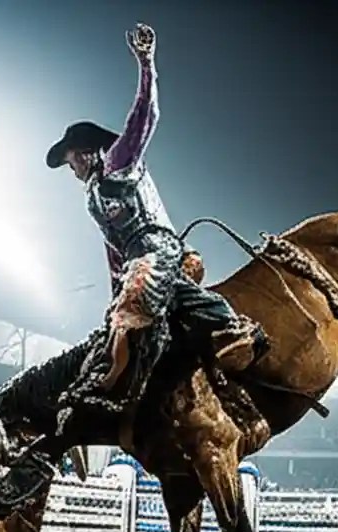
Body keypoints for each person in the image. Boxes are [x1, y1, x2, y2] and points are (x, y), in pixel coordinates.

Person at [42, 23, 267, 447]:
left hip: (157, 248)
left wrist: (146, 65)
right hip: (136, 260)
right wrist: (114, 294)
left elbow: (144, 117)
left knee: (137, 303)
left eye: (71, 160)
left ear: (86, 153)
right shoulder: (94, 194)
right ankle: (227, 328)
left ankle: (115, 382)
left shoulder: (119, 161)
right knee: (144, 309)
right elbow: (114, 249)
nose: (71, 169)